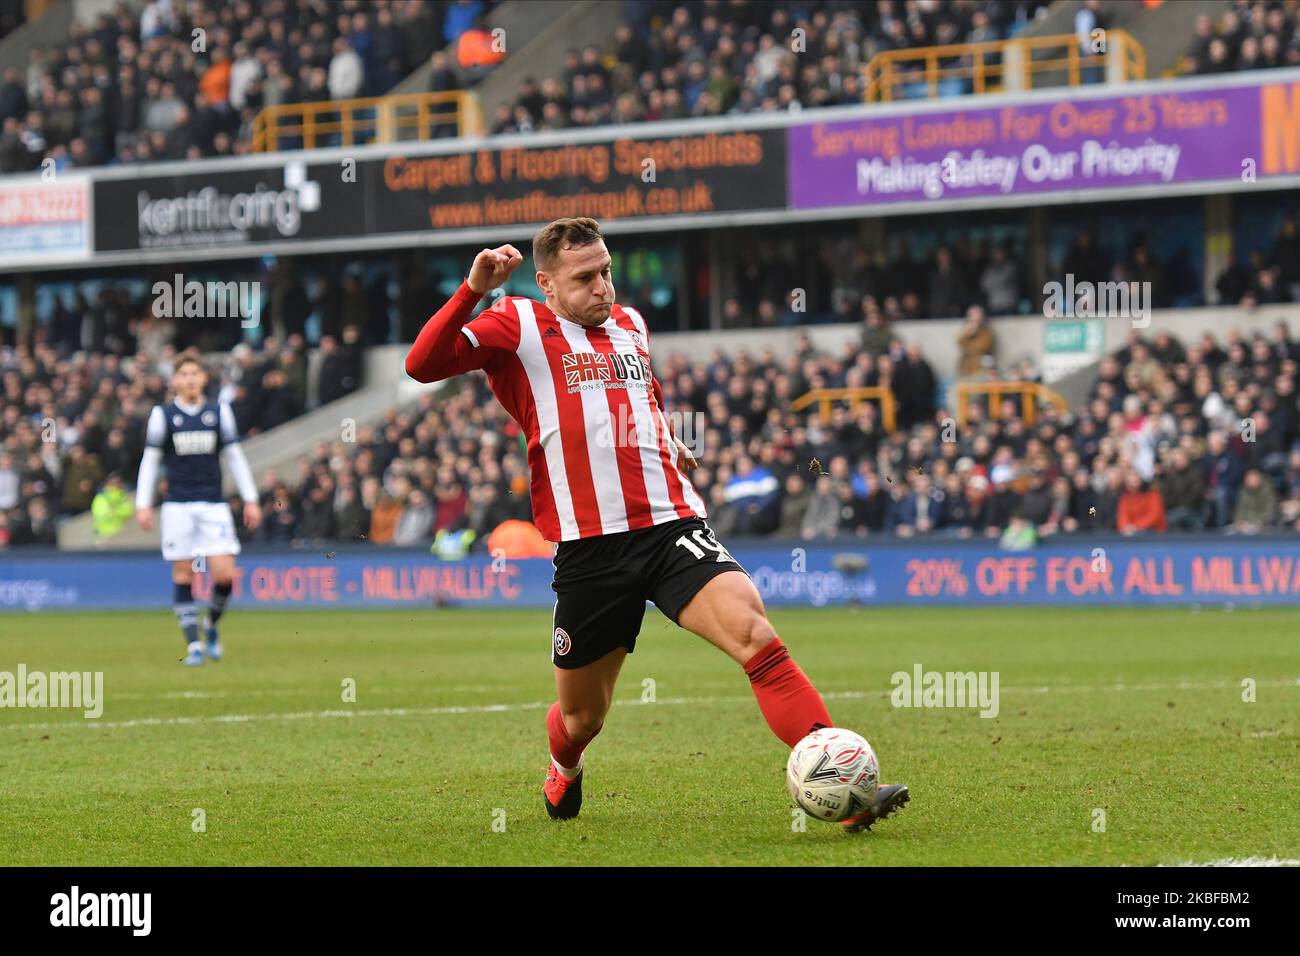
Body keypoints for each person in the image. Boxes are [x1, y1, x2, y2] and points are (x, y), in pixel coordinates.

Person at [404, 218, 908, 831]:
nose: (602, 288)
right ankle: (565, 764)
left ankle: (847, 788)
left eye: (606, 271)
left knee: (756, 636)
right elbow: (421, 364)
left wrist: (666, 439)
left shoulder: (632, 327)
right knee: (581, 720)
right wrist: (470, 288)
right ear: (547, 284)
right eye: (584, 278)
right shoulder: (516, 323)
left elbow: (640, 399)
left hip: (670, 524)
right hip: (589, 550)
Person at [135, 353, 262, 666]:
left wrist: (251, 498)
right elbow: (150, 461)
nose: (190, 378)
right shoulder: (162, 415)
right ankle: (193, 645)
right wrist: (143, 503)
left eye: (195, 373)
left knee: (225, 573)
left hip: (212, 504)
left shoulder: (219, 412)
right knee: (184, 573)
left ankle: (211, 626)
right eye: (184, 373)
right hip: (177, 505)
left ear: (204, 378)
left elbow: (235, 457)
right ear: (174, 380)